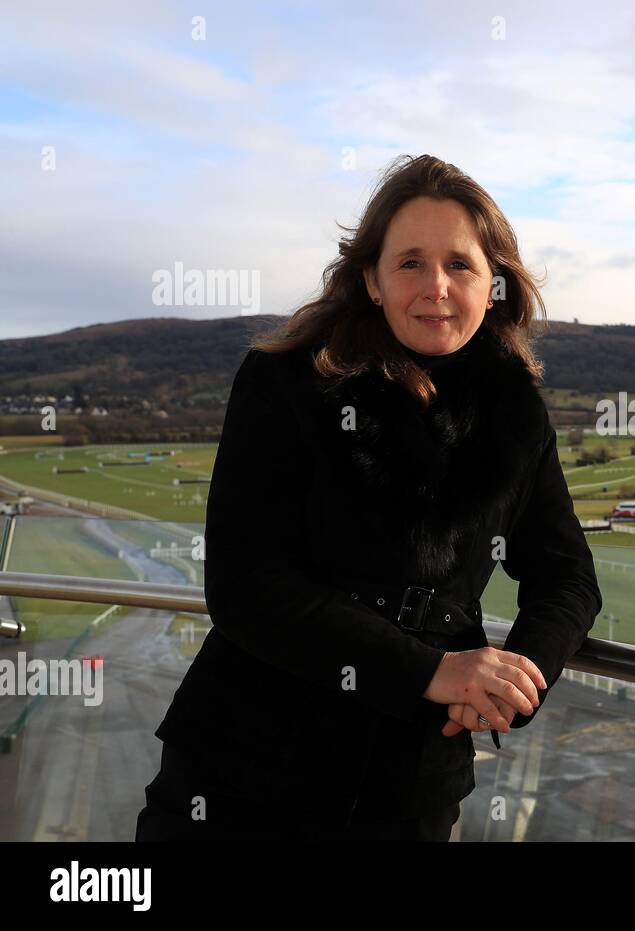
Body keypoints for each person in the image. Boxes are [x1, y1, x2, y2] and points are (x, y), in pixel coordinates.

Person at [136, 155, 603, 842]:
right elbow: (246, 586)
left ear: (494, 283)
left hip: (410, 785)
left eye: (460, 265)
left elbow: (566, 573)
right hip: (244, 770)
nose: (436, 286)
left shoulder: (516, 415)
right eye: (410, 262)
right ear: (371, 281)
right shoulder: (284, 382)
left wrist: (515, 681)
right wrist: (432, 670)